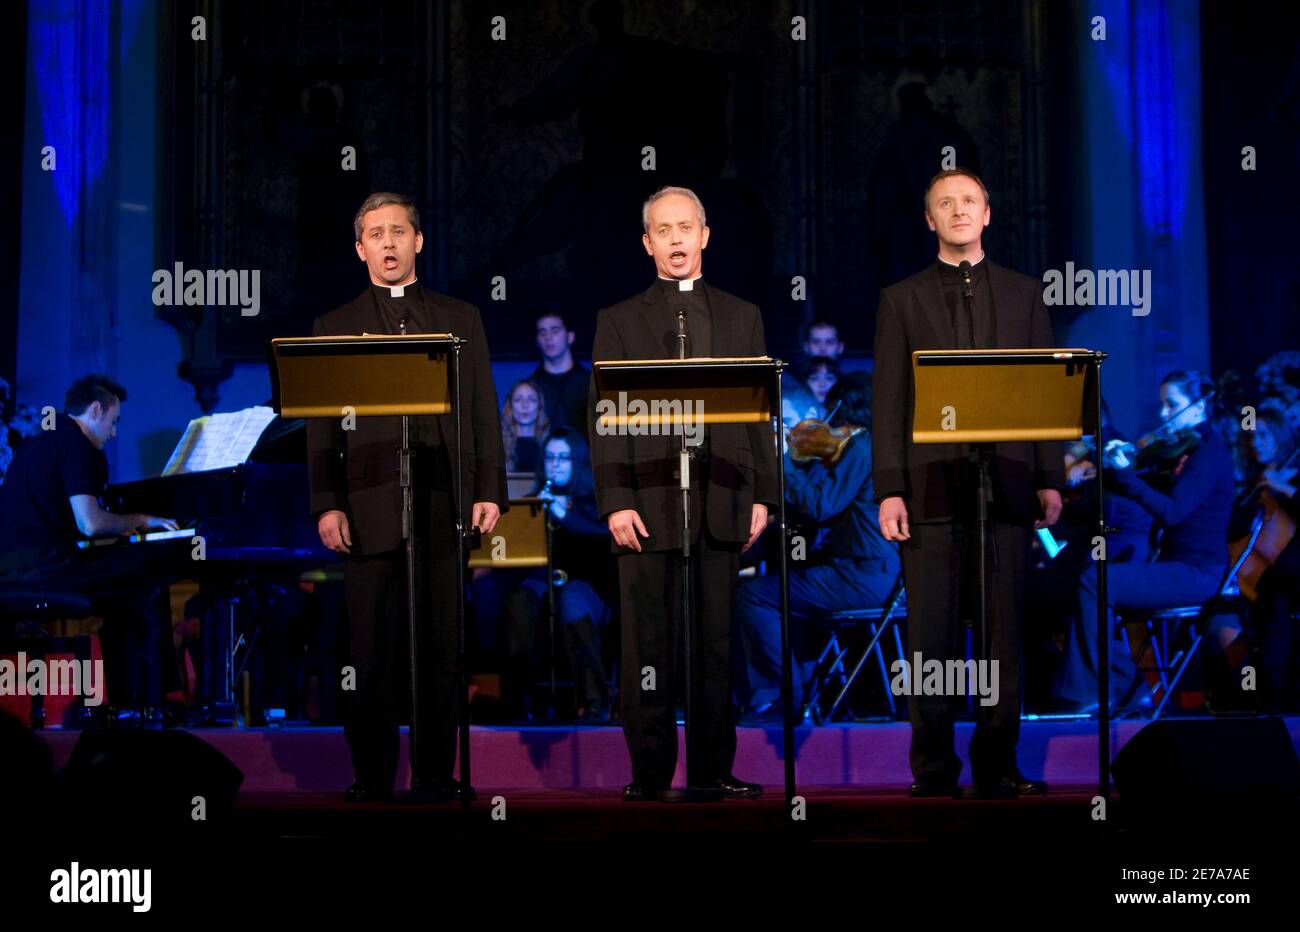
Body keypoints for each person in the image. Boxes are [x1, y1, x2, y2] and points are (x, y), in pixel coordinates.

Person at [306, 192, 506, 804]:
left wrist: (488, 490)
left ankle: (436, 776)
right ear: (360, 247)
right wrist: (327, 502)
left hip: (443, 504)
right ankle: (372, 777)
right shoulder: (332, 326)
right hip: (365, 507)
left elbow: (480, 411)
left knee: (440, 650)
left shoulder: (460, 316)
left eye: (399, 231)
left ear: (419, 241)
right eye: (375, 234)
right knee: (369, 651)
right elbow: (321, 429)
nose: (388, 243)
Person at [872, 168, 1065, 799]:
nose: (958, 211)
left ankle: (998, 764)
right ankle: (932, 769)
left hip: (1006, 485)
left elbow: (1044, 392)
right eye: (944, 204)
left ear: (987, 214)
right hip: (927, 490)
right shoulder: (901, 299)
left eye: (969, 201)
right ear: (929, 220)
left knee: (1001, 633)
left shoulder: (1024, 294)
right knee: (931, 637)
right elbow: (889, 403)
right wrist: (889, 488)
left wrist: (1048, 476)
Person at [589, 185, 778, 801]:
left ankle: (712, 771)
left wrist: (764, 497)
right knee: (647, 645)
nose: (675, 240)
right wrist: (615, 499)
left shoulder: (742, 314)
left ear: (705, 235)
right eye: (662, 230)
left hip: (722, 498)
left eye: (685, 227)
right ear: (647, 243)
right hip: (645, 504)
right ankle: (648, 772)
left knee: (715, 646)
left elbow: (760, 416)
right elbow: (606, 418)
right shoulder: (617, 320)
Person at [1053, 371, 1235, 714]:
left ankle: (1119, 686)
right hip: (1178, 566)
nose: (1164, 414)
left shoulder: (1208, 453)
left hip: (1196, 572)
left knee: (1096, 580)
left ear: (1199, 408)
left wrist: (1124, 476)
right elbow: (1145, 483)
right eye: (1163, 404)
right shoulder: (1185, 450)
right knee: (1091, 578)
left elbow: (1173, 513)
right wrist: (1106, 470)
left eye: (1173, 405)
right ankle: (1117, 686)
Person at [0, 375, 179, 719]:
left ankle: (129, 703)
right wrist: (141, 519)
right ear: (96, 409)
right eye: (114, 421)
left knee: (126, 585)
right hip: (44, 570)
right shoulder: (81, 446)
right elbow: (91, 524)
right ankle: (152, 704)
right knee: (150, 575)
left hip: (14, 569)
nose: (113, 433)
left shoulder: (40, 443)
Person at [733, 372, 900, 715]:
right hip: (867, 570)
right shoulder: (867, 445)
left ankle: (787, 695)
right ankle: (801, 694)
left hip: (863, 575)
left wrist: (782, 460)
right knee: (790, 592)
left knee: (751, 595)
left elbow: (820, 506)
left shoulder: (862, 445)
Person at [473, 428, 613, 721]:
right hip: (541, 582)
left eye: (564, 457)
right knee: (518, 601)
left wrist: (563, 514)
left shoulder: (594, 502)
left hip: (585, 585)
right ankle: (516, 702)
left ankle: (595, 703)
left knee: (571, 602)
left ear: (576, 461)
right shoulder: (533, 504)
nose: (556, 464)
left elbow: (600, 543)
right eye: (550, 458)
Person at [1240, 405, 1300, 712]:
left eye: (1263, 435)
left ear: (1280, 435)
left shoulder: (1292, 475)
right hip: (1267, 575)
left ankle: (1276, 706)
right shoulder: (1256, 481)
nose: (1256, 442)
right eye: (1251, 437)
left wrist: (1286, 488)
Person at [529, 313, 591, 430]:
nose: (548, 337)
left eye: (555, 331)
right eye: (542, 333)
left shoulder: (590, 384)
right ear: (537, 341)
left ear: (570, 337)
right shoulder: (531, 388)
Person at [501, 379, 549, 474]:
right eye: (518, 400)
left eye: (532, 400)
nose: (525, 405)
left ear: (539, 407)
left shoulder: (550, 445)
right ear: (510, 406)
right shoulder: (499, 447)